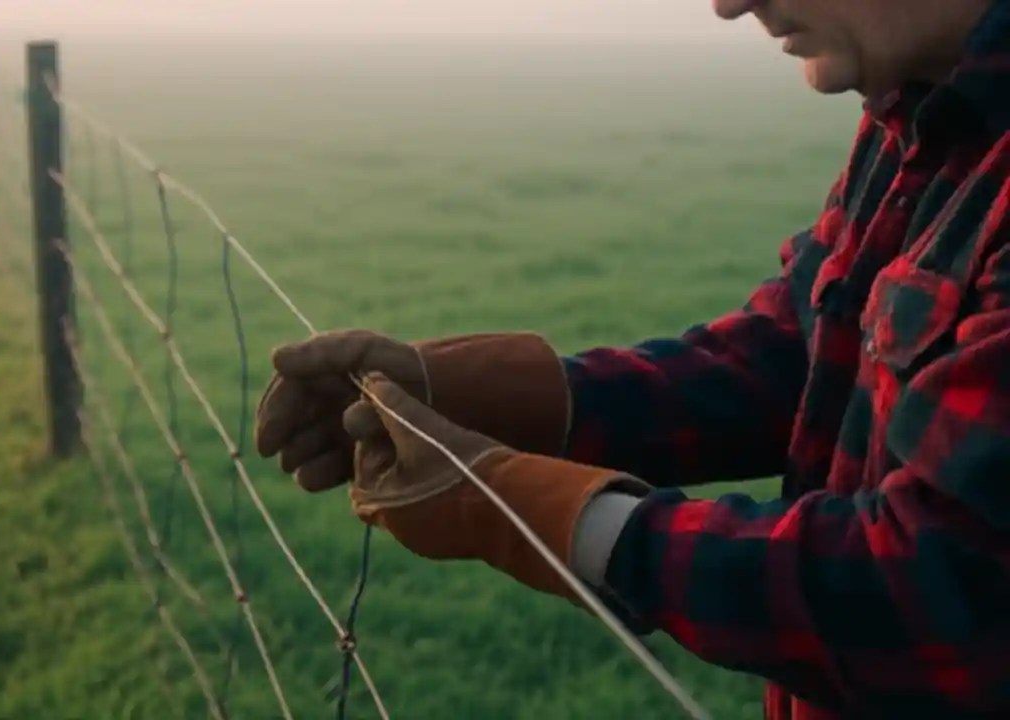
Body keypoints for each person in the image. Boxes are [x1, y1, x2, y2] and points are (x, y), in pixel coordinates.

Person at [254, 0, 1010, 717]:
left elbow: (936, 592)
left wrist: (521, 506)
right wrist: (462, 396)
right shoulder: (920, 112)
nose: (729, 5)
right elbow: (795, 353)